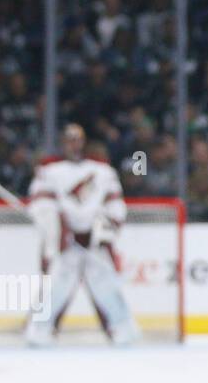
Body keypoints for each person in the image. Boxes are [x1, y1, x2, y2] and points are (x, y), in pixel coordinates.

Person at [26, 123, 138, 345]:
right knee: (56, 287)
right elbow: (41, 207)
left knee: (106, 285)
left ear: (84, 141)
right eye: (69, 139)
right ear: (62, 142)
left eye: (77, 139)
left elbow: (115, 207)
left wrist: (100, 234)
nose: (73, 144)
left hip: (94, 242)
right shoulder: (49, 172)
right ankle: (39, 329)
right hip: (65, 243)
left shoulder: (103, 172)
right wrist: (60, 233)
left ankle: (123, 327)